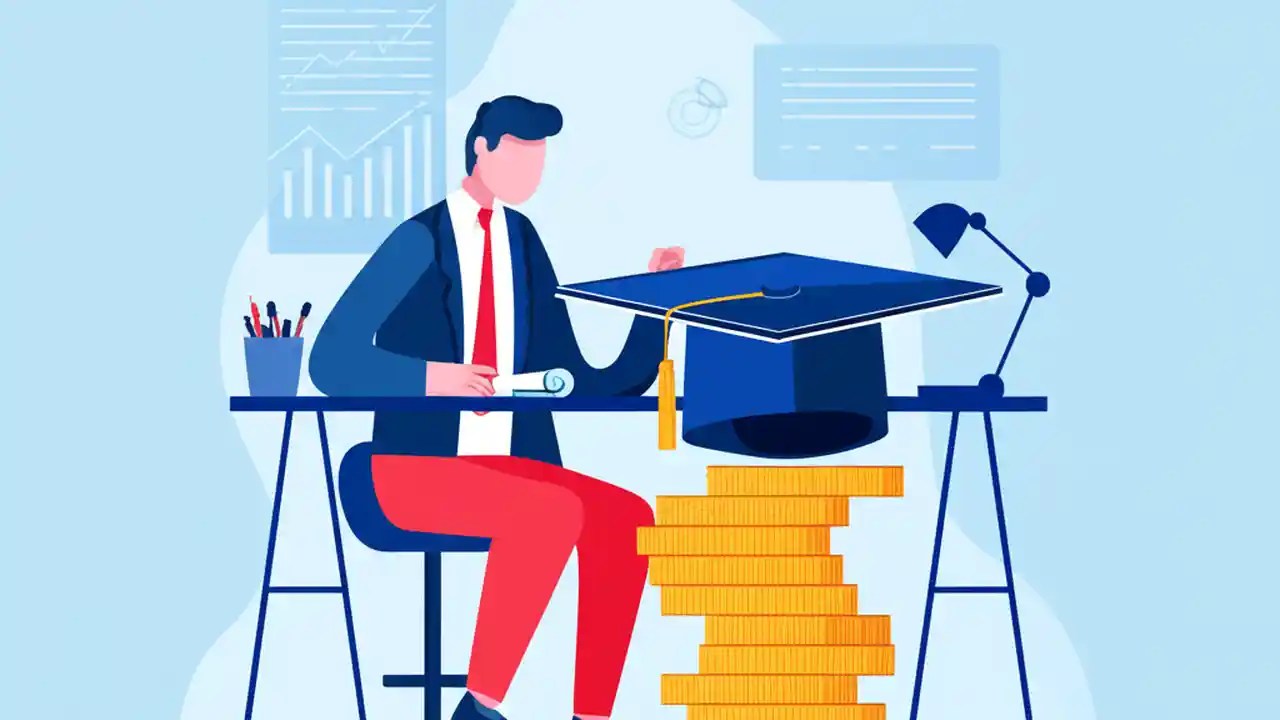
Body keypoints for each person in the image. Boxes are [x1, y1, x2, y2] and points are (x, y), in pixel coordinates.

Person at [309, 95, 684, 720]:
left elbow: (586, 381)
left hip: (513, 467)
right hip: (409, 468)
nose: (533, 166)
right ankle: (479, 708)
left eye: (540, 154)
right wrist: (436, 380)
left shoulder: (524, 243)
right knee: (549, 509)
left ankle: (592, 713)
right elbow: (330, 360)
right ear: (480, 148)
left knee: (627, 517)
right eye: (519, 149)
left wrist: (658, 302)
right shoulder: (417, 241)